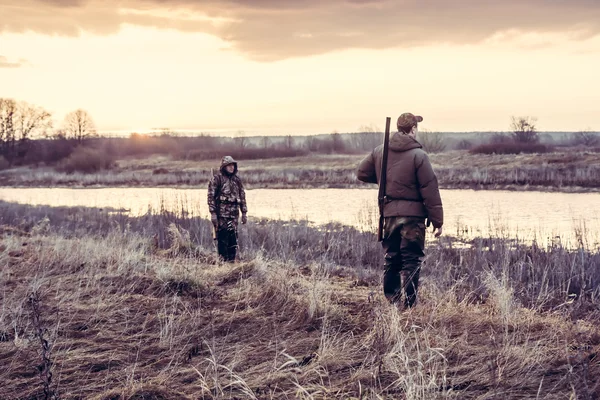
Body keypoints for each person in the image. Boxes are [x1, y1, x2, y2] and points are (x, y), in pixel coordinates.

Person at [357, 113, 443, 308]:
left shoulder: (380, 151)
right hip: (413, 217)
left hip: (389, 215)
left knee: (392, 258)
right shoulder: (419, 156)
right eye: (416, 128)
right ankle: (410, 305)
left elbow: (361, 172)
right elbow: (430, 190)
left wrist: (385, 181)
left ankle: (393, 304)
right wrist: (438, 222)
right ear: (413, 129)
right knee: (411, 259)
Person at [207, 156, 248, 262]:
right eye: (229, 165)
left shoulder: (237, 180)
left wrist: (244, 213)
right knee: (222, 239)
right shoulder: (217, 179)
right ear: (224, 167)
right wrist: (213, 213)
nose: (231, 167)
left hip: (234, 216)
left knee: (233, 240)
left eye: (233, 165)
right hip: (222, 216)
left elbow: (242, 196)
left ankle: (231, 262)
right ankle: (222, 264)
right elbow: (211, 196)